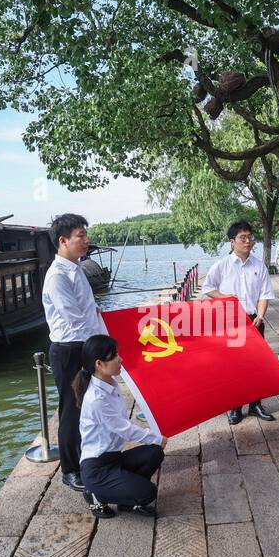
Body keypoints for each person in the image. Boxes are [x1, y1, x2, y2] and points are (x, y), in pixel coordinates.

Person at [43, 213, 109, 493]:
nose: (86, 240)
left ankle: (90, 458)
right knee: (71, 410)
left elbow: (90, 311)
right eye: (80, 236)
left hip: (85, 345)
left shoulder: (76, 268)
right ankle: (70, 470)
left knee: (88, 406)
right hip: (70, 349)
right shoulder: (57, 275)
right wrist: (102, 347)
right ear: (63, 240)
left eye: (86, 234)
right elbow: (75, 319)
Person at [76, 334, 166, 518]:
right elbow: (125, 429)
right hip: (97, 469)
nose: (120, 359)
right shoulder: (96, 399)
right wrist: (156, 437)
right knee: (148, 492)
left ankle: (126, 501)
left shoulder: (111, 383)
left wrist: (156, 441)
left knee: (155, 452)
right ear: (99, 364)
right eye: (114, 356)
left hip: (114, 458)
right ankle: (96, 496)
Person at [203, 220, 276, 425]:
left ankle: (255, 405)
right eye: (243, 238)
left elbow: (265, 294)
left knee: (257, 365)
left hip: (254, 320)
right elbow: (207, 287)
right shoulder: (222, 265)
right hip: (232, 321)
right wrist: (224, 297)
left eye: (250, 237)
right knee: (235, 366)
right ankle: (235, 407)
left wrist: (260, 316)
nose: (247, 241)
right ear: (232, 241)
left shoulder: (258, 266)